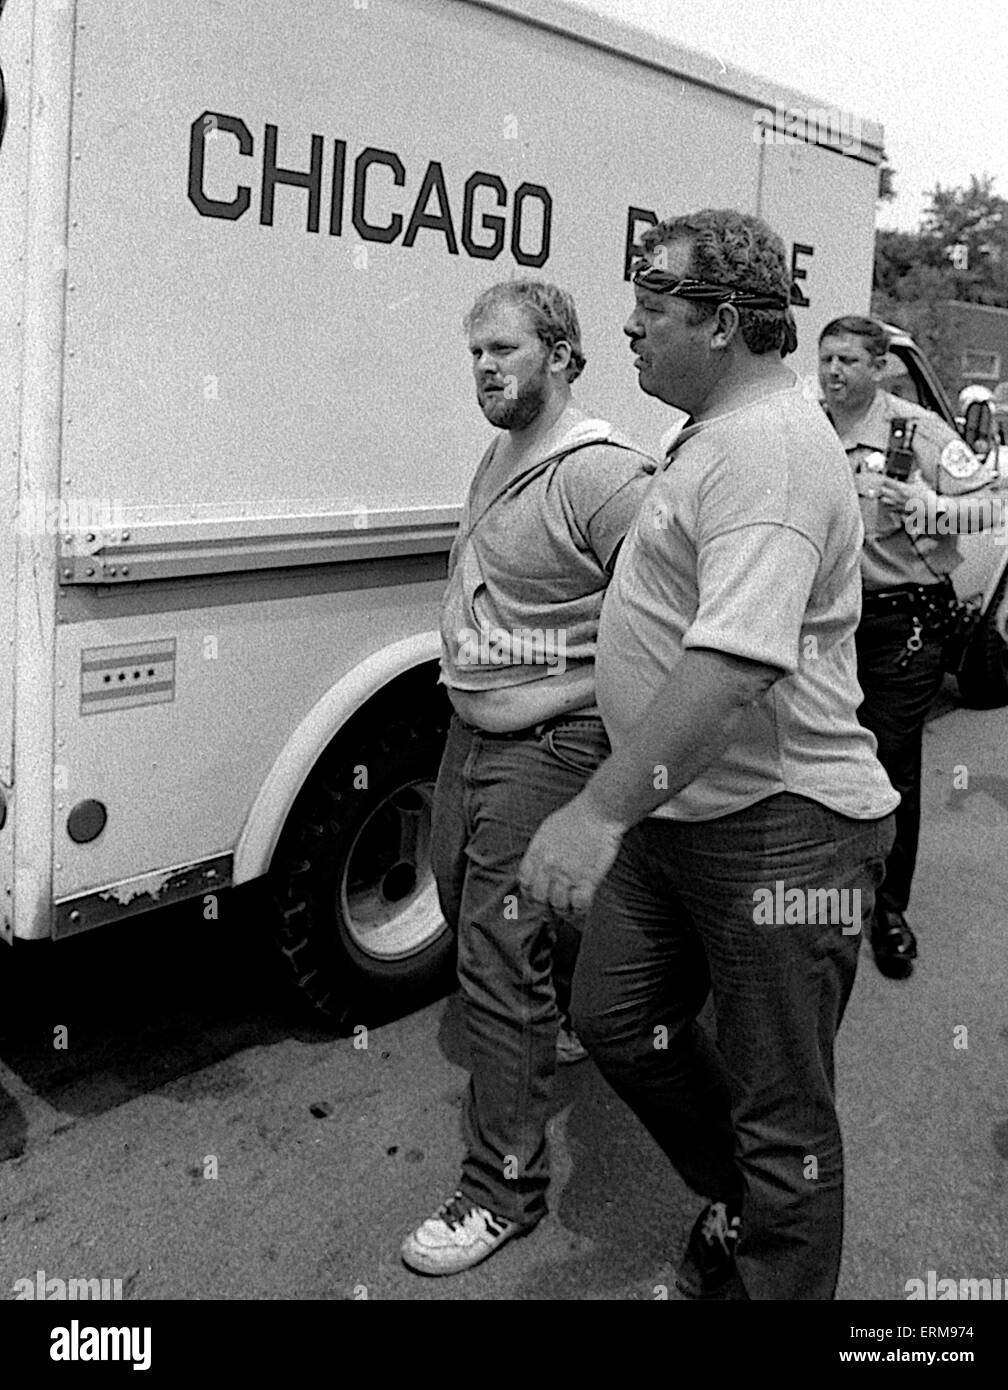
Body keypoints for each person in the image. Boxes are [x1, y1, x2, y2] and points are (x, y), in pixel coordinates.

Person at [518, 209, 898, 1301]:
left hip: (788, 833)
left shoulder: (770, 453)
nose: (627, 329)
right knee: (613, 1017)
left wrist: (593, 812)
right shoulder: (718, 429)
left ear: (722, 322)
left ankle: (765, 1247)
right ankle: (743, 1203)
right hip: (683, 813)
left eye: (650, 308)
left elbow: (732, 669)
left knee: (784, 1115)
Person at [400, 279, 655, 1276]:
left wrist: (572, 689)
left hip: (545, 744)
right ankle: (594, 1011)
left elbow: (675, 624)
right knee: (461, 890)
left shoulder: (605, 475)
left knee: (495, 959)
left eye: (501, 350)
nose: (483, 369)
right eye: (472, 353)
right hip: (472, 734)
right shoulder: (502, 449)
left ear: (560, 354)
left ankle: (499, 1190)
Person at [818, 317, 1000, 978]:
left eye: (848, 361)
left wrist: (930, 505)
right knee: (818, 761)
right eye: (826, 358)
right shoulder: (809, 426)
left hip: (905, 624)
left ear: (878, 368)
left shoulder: (914, 431)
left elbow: (987, 510)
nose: (833, 372)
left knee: (889, 763)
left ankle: (888, 909)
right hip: (827, 625)